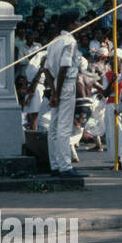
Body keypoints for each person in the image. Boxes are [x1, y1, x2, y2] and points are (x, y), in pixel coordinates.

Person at [44, 11, 85, 179]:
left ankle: (55, 165)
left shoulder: (54, 41)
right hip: (65, 84)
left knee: (54, 127)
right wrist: (57, 93)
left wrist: (54, 90)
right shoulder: (70, 41)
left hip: (57, 85)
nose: (79, 24)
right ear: (69, 25)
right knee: (64, 127)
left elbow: (46, 69)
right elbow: (63, 68)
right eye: (77, 22)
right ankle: (65, 167)